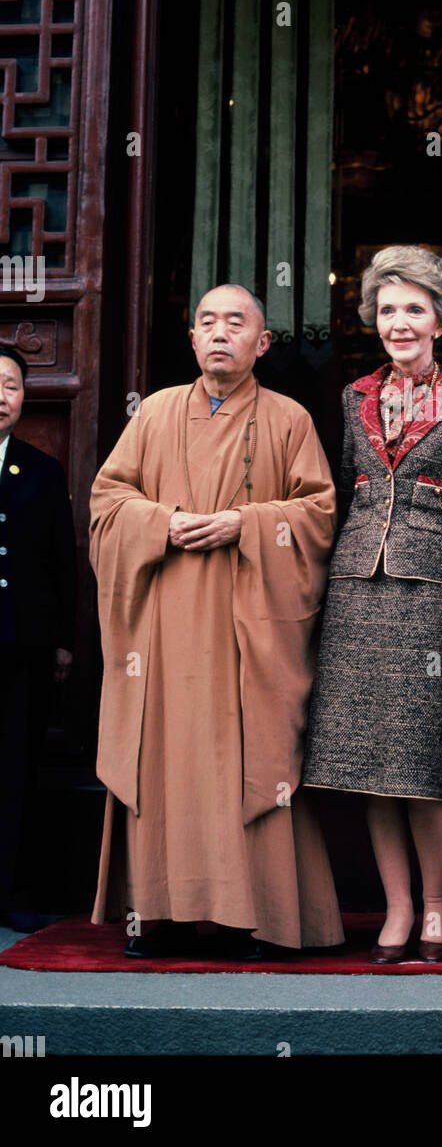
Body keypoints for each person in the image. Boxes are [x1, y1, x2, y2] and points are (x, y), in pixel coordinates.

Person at [89, 285, 343, 958]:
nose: (219, 333)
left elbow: (319, 515)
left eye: (236, 322)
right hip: (164, 626)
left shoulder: (289, 419)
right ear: (192, 339)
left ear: (262, 343)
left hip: (248, 628)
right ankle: (160, 913)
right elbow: (108, 501)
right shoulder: (154, 414)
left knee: (249, 756)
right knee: (164, 756)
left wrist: (248, 523)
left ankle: (249, 916)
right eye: (206, 322)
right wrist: (163, 524)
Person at [302, 245, 442, 963]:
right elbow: (342, 492)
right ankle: (397, 907)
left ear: (440, 319)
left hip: (428, 594)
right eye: (387, 310)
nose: (399, 322)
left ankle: (438, 904)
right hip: (355, 588)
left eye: (414, 308)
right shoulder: (354, 396)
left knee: (421, 758)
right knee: (367, 763)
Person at [0, 347, 76, 932]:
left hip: (21, 643)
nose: (2, 395)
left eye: (11, 386)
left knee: (17, 768)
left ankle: (14, 891)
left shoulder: (43, 469)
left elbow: (61, 564)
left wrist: (63, 642)